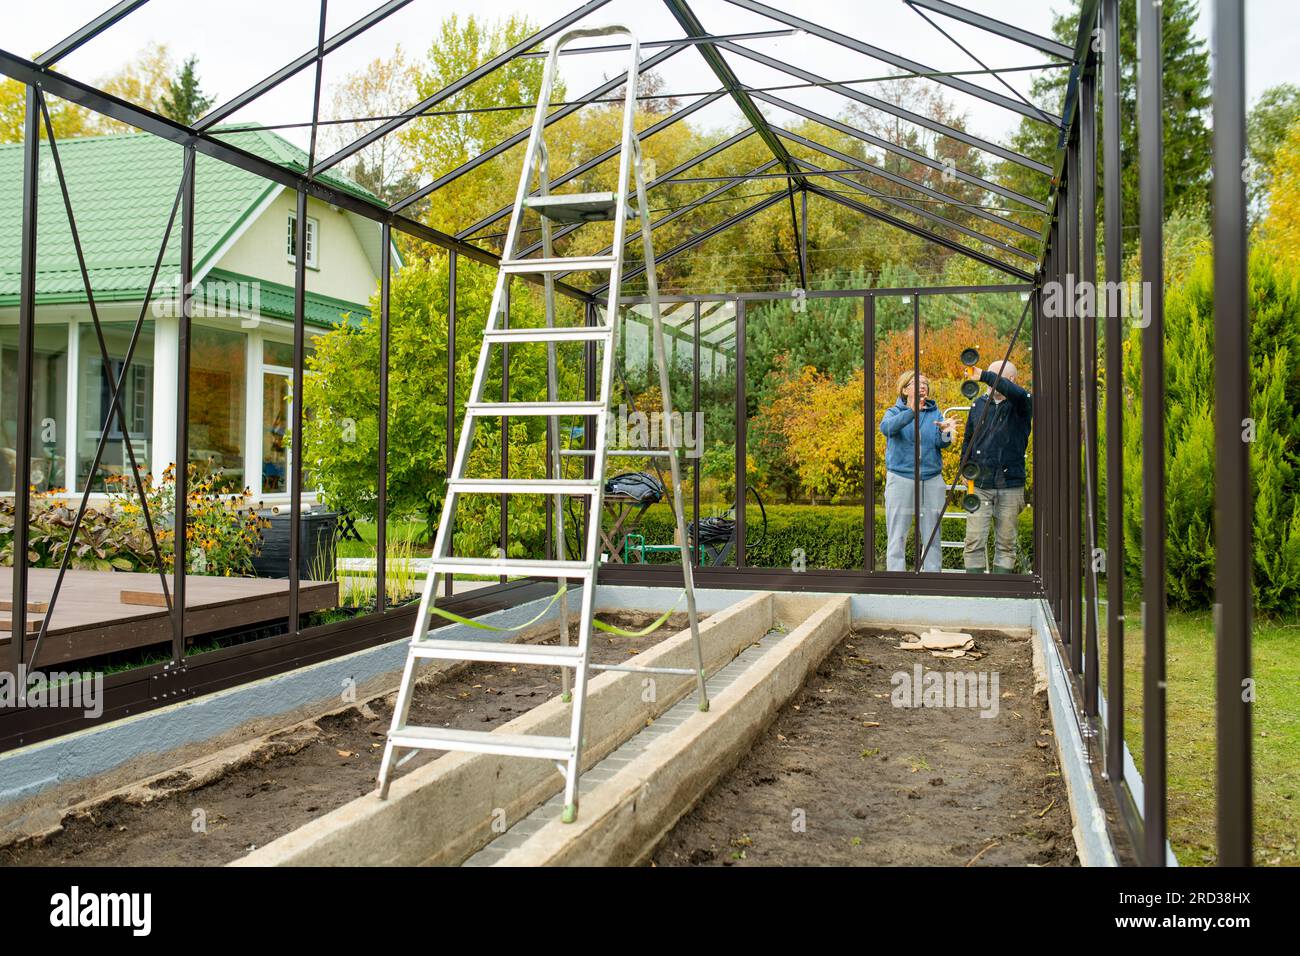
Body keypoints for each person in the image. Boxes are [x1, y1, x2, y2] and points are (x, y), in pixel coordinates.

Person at [961, 359, 1032, 573]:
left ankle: (1002, 591)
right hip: (980, 484)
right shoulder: (978, 405)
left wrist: (983, 374)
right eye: (990, 378)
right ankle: (975, 593)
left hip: (1011, 485)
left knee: (1006, 543)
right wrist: (963, 467)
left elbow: (1017, 394)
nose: (991, 383)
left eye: (996, 378)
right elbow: (968, 439)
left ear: (1011, 380)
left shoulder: (1022, 402)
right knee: (973, 540)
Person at [880, 371, 956, 571]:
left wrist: (947, 433)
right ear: (905, 389)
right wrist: (911, 412)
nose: (923, 386)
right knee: (897, 534)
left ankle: (932, 579)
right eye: (917, 383)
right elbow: (886, 428)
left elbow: (941, 443)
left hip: (932, 479)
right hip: (901, 478)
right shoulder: (894, 412)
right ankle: (896, 580)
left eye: (925, 383)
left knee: (932, 533)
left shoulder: (935, 413)